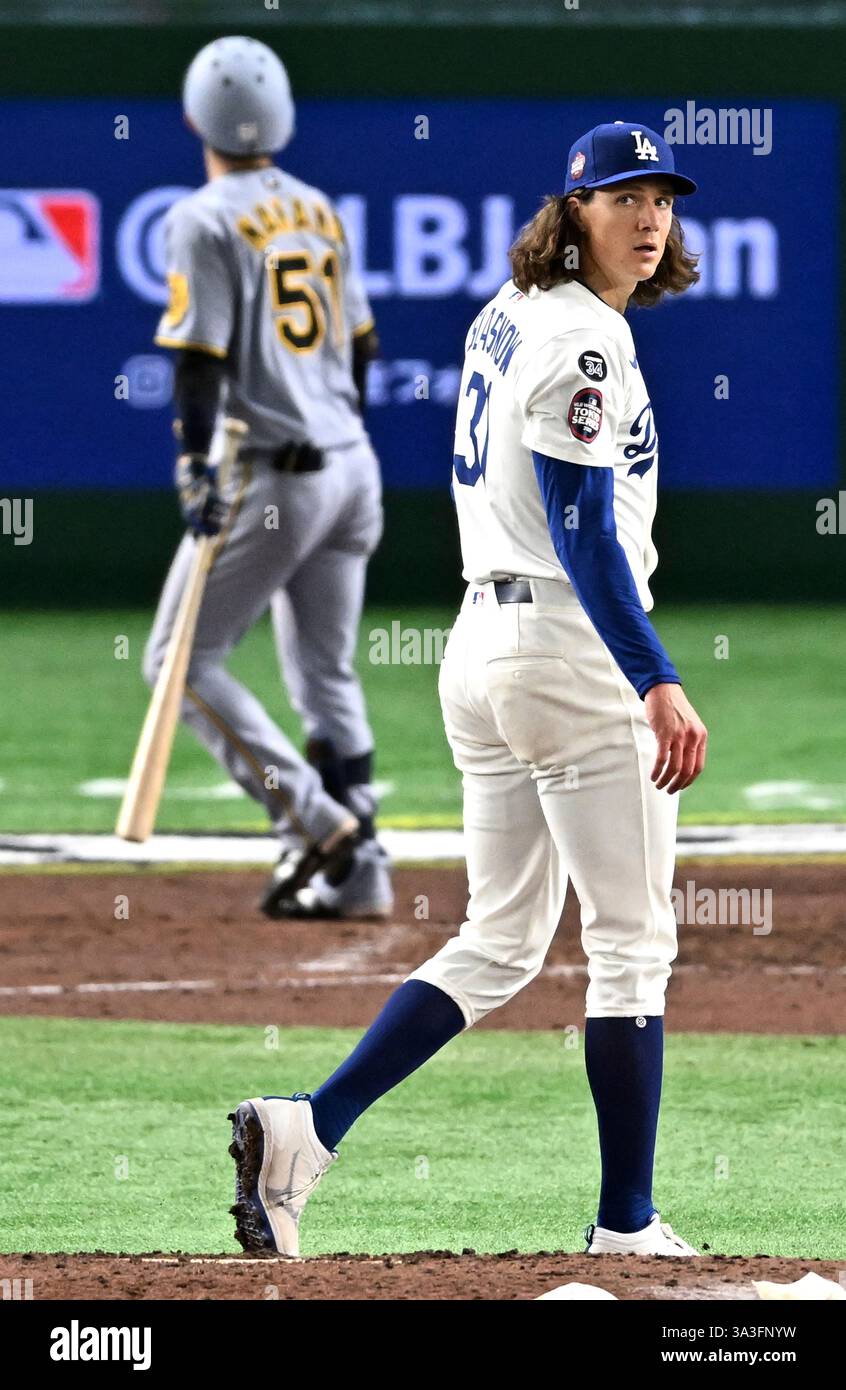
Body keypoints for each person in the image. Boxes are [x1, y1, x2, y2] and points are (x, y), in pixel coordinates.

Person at [228, 121, 708, 1259]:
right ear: (575, 207)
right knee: (633, 944)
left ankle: (306, 1130)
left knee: (502, 935)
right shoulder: (589, 340)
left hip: (480, 651)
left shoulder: (510, 311)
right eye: (625, 197)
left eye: (665, 200)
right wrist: (657, 679)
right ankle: (628, 1225)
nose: (650, 218)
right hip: (568, 653)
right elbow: (586, 530)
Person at [144, 36, 392, 921]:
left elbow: (199, 362)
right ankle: (363, 877)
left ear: (191, 119)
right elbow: (362, 346)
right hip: (352, 469)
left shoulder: (203, 215)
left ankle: (318, 821)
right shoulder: (320, 209)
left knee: (177, 659)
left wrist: (190, 460)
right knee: (327, 673)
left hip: (274, 471)